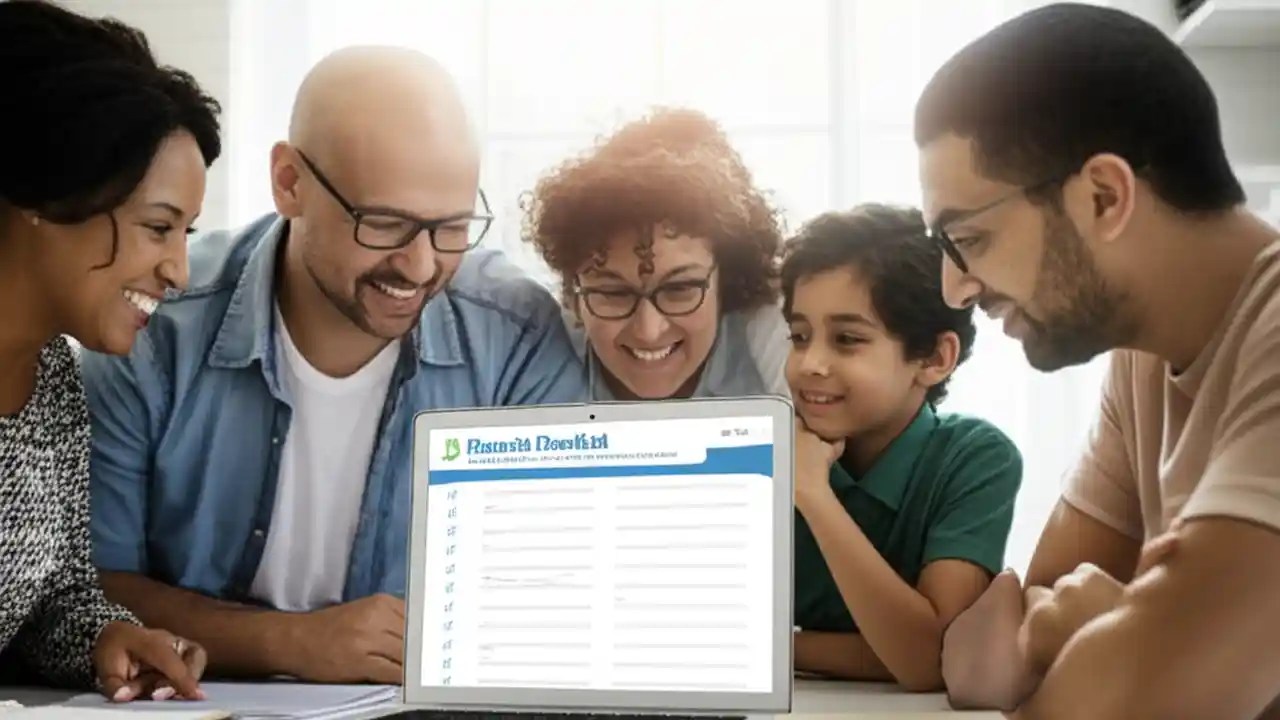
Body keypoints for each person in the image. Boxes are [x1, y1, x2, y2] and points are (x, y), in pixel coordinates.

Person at [81, 46, 586, 684]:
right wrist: (288, 643)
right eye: (384, 223)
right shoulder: (155, 321)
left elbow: (560, 590)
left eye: (452, 227)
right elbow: (91, 587)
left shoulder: (516, 340)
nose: (422, 265)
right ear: (290, 182)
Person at [915, 4, 1280, 717]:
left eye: (969, 239)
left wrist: (1128, 640)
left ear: (1104, 196)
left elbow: (1135, 695)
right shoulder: (1143, 361)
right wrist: (1125, 630)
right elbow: (994, 647)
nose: (953, 288)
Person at [0, 0, 219, 701]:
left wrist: (105, 638)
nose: (179, 270)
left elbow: (48, 596)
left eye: (188, 232)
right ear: (45, 196)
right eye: (159, 227)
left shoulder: (54, 381)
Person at [783, 204, 1022, 690]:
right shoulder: (758, 450)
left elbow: (932, 660)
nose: (810, 363)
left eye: (847, 339)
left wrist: (812, 493)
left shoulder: (975, 458)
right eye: (799, 335)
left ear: (934, 358)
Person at [521, 107, 789, 401]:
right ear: (574, 295)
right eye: (613, 292)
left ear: (727, 281)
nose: (649, 331)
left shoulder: (776, 334)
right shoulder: (533, 358)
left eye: (679, 289)